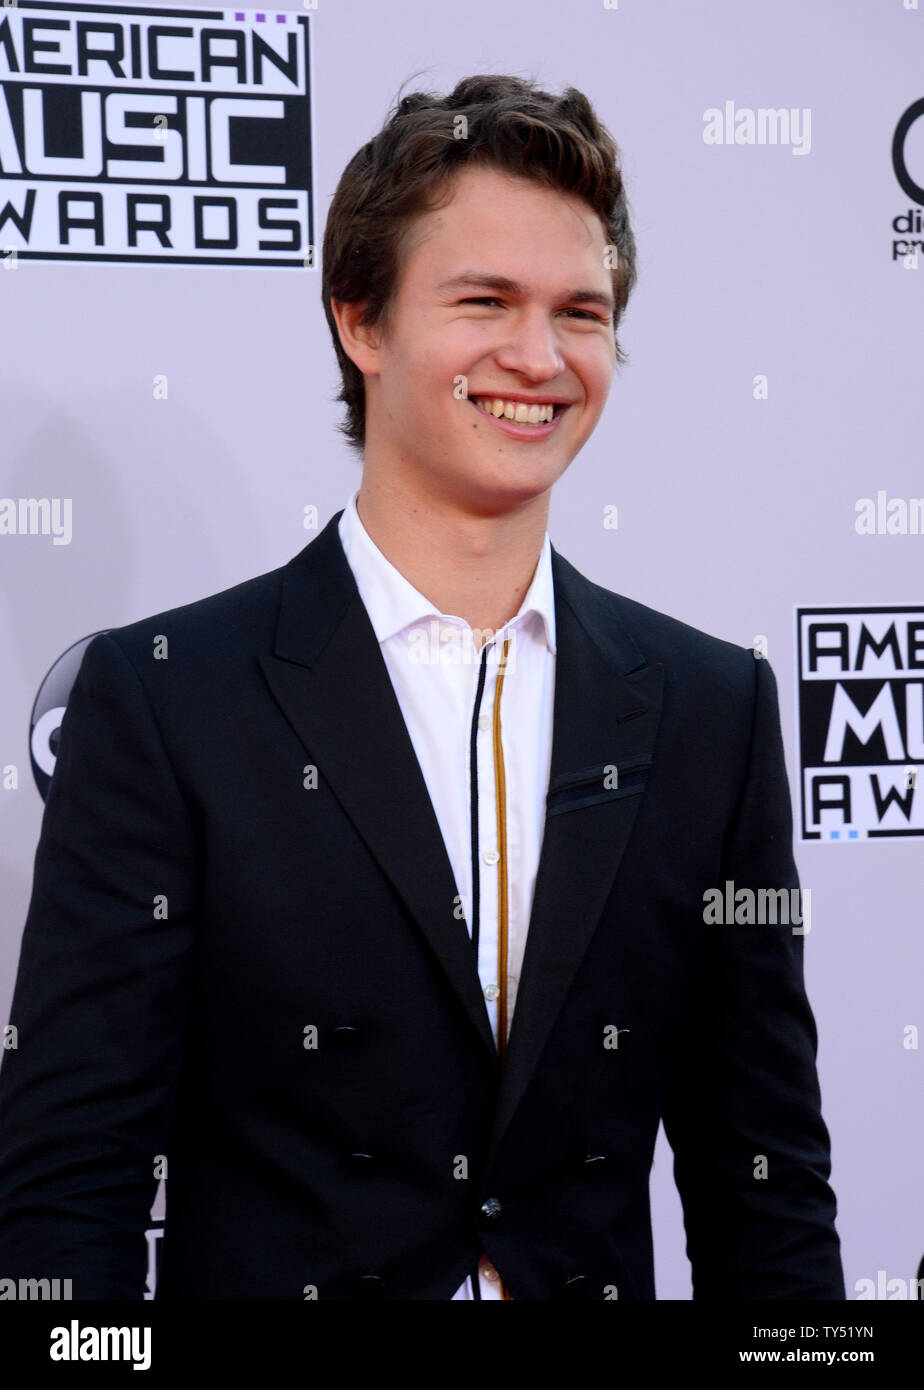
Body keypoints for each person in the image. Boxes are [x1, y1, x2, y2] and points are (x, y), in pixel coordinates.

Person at [0, 74, 845, 1300]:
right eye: (484, 300)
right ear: (362, 319)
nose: (539, 357)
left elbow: (764, 1190)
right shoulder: (170, 702)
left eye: (582, 311)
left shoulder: (712, 712)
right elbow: (69, 1190)